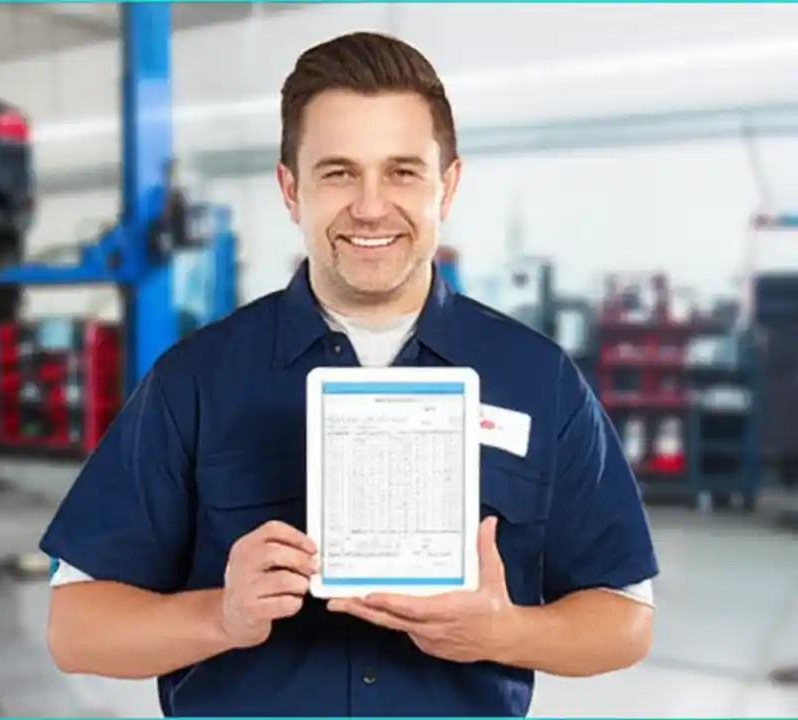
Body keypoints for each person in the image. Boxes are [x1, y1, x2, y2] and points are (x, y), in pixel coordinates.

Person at [39, 31, 658, 717]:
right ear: (289, 189)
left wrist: (508, 631)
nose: (369, 206)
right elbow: (76, 628)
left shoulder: (538, 380)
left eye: (402, 171)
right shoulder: (197, 380)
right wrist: (221, 617)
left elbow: (625, 618)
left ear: (446, 186)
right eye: (338, 172)